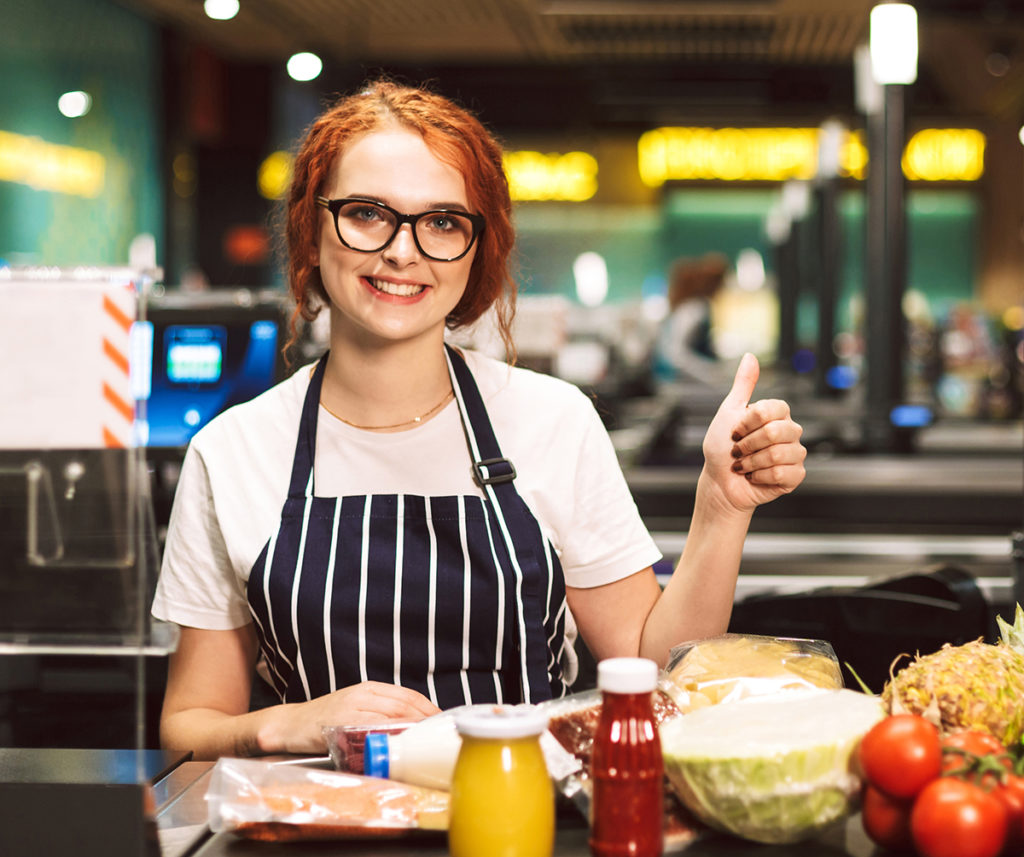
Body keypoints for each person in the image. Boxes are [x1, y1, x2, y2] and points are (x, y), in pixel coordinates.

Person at [151, 79, 807, 760]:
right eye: (368, 213)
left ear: (475, 251)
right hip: (320, 826)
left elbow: (660, 674)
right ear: (311, 230)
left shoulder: (552, 420)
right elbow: (191, 721)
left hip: (525, 818)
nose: (403, 251)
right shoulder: (231, 452)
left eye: (441, 222)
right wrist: (283, 723)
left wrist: (722, 506)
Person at [654, 252, 729, 385]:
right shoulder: (695, 309)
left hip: (672, 380)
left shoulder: (686, 308)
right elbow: (676, 354)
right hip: (677, 383)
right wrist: (712, 373)